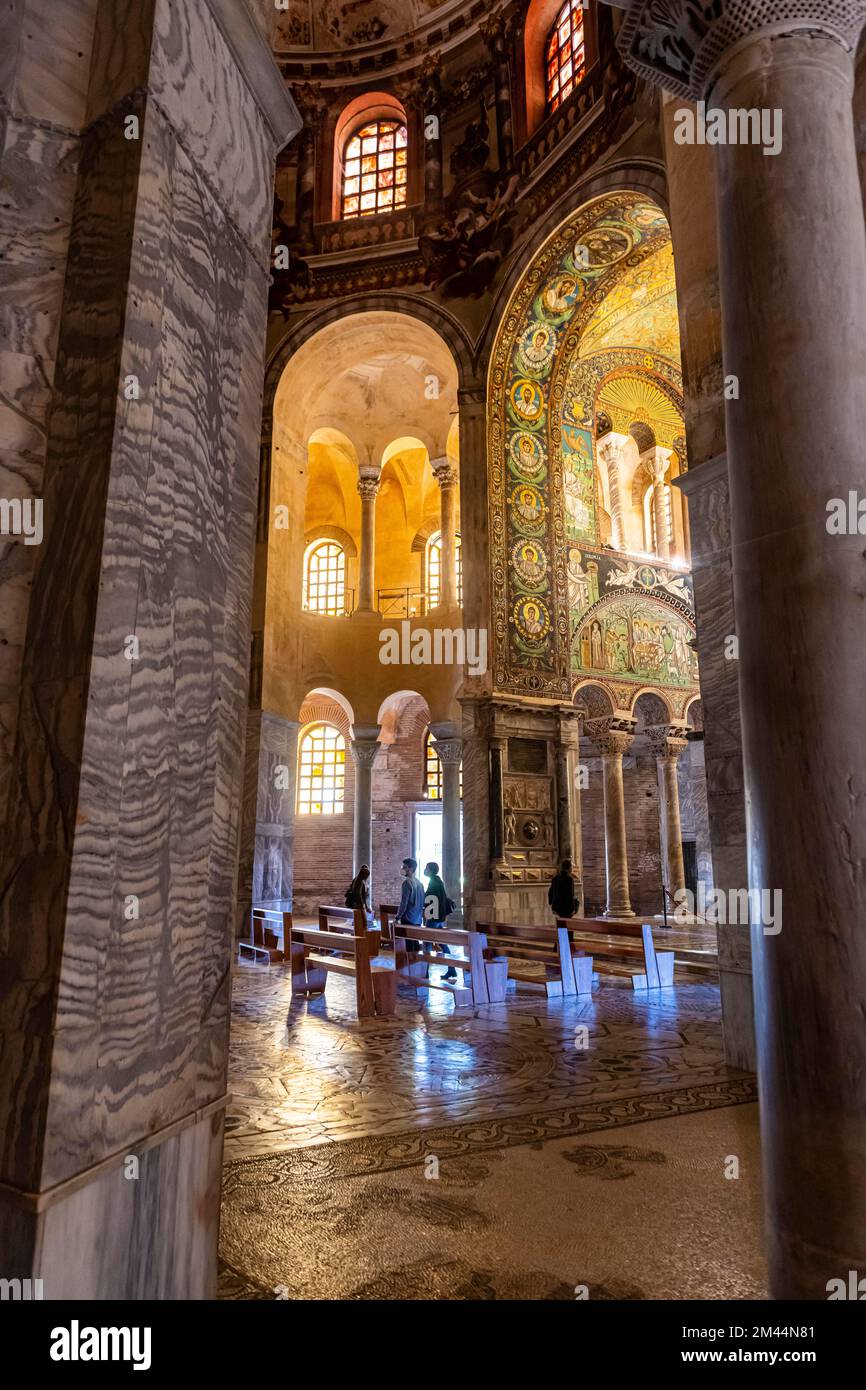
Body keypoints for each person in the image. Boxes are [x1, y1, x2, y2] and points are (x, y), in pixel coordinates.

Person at [424, 860, 456, 982]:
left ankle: (424, 970)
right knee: (442, 943)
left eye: (427, 868)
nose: (425, 871)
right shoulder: (438, 881)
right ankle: (451, 968)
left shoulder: (433, 882)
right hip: (439, 917)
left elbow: (428, 898)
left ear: (431, 870)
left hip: (434, 917)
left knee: (427, 942)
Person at [396, 857, 425, 953]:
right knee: (415, 944)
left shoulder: (406, 883)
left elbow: (404, 903)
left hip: (408, 918)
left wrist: (397, 917)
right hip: (417, 919)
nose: (402, 869)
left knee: (408, 946)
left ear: (411, 869)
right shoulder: (420, 883)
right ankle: (416, 965)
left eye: (404, 867)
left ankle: (408, 966)